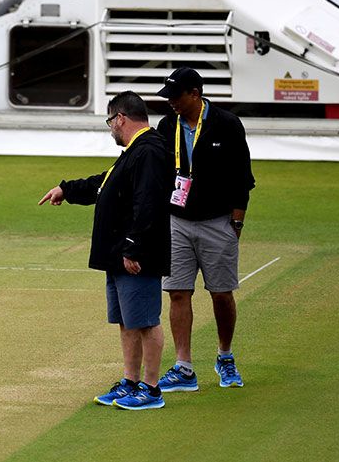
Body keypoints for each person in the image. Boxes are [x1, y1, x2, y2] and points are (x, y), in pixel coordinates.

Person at [39, 91, 173, 410]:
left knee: (145, 322)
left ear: (121, 118)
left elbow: (149, 204)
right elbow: (105, 185)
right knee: (127, 321)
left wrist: (133, 247)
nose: (110, 128)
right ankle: (131, 382)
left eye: (110, 121)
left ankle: (151, 390)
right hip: (119, 255)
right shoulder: (135, 152)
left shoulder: (149, 152)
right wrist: (67, 190)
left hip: (135, 255)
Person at [154, 67, 256, 391]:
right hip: (177, 222)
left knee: (221, 294)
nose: (170, 101)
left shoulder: (227, 124)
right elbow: (156, 173)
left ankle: (225, 355)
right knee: (177, 292)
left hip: (217, 222)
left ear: (195, 94)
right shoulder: (167, 125)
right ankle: (184, 366)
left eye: (176, 95)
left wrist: (236, 223)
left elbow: (243, 178)